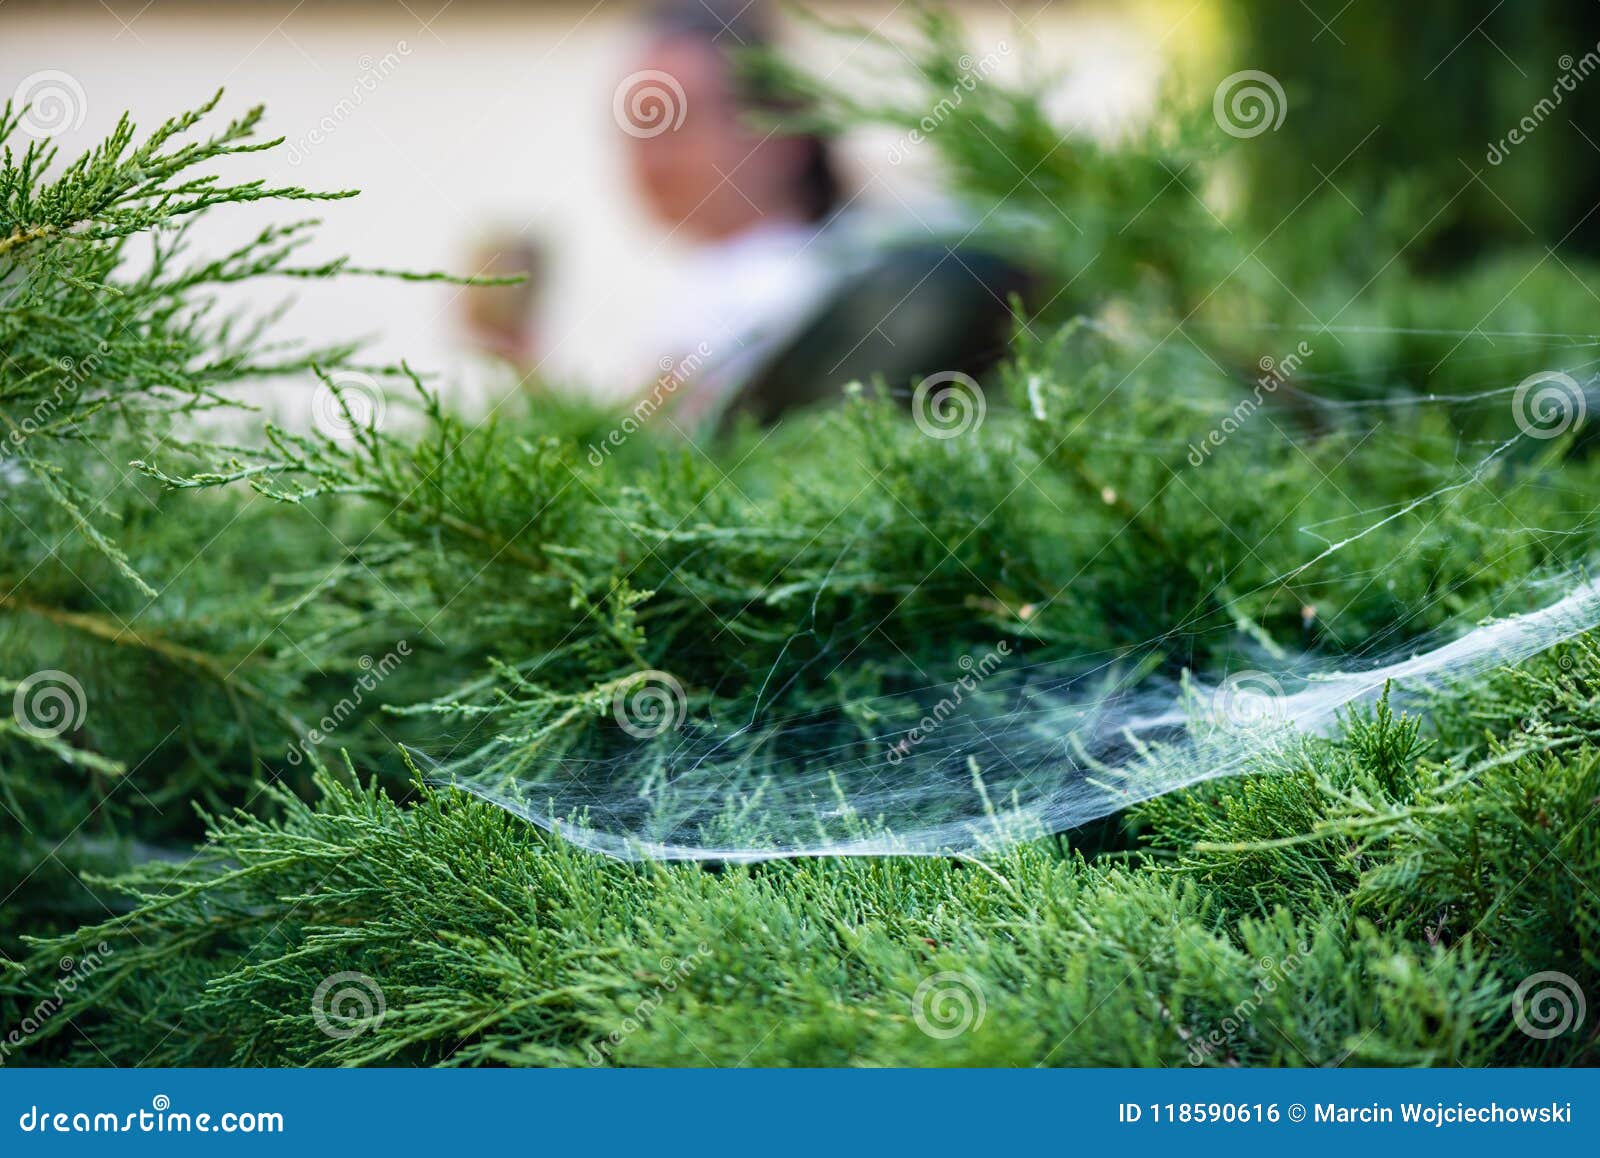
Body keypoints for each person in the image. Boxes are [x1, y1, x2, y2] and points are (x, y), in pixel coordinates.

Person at [621, 0, 1030, 429]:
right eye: (638, 125)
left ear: (779, 129)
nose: (653, 156)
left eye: (678, 122)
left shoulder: (860, 275)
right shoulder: (701, 288)